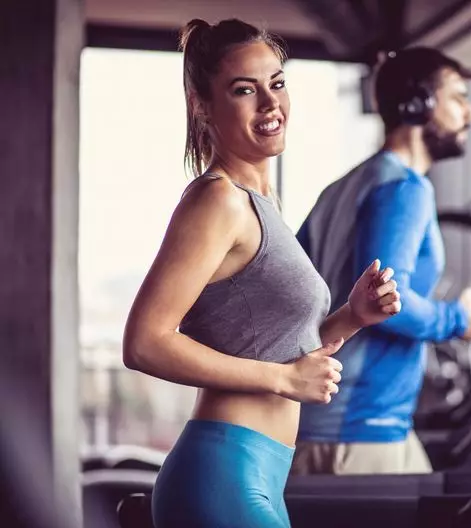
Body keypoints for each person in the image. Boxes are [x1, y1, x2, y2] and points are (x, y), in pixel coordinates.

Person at [122, 18, 401, 528]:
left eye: (277, 83)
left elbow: (275, 344)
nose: (271, 104)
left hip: (260, 471)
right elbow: (144, 342)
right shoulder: (218, 201)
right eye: (244, 90)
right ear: (202, 105)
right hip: (221, 473)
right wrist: (284, 378)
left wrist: (352, 317)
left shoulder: (261, 204)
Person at [291, 47, 471, 476]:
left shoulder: (340, 188)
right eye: (458, 97)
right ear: (417, 103)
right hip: (359, 429)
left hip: (324, 421)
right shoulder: (406, 188)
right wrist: (459, 318)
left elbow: (292, 291)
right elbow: (386, 302)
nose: (470, 114)